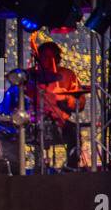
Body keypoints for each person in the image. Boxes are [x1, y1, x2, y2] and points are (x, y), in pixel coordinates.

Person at [31, 39, 84, 169]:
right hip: (34, 121)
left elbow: (80, 101)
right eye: (44, 57)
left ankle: (71, 167)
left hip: (60, 121)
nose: (48, 60)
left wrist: (68, 102)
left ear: (58, 58)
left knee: (74, 131)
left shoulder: (67, 75)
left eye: (51, 57)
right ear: (38, 58)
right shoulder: (30, 75)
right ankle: (22, 167)